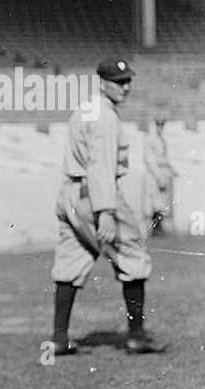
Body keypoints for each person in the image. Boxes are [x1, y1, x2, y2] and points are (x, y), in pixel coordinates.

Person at [50, 58, 165, 356]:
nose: (126, 87)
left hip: (71, 194)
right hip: (96, 194)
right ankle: (136, 336)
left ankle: (59, 338)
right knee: (133, 257)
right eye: (119, 81)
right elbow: (100, 166)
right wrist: (106, 212)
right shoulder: (105, 117)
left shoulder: (85, 109)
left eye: (128, 80)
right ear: (103, 82)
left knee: (69, 263)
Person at [143, 111, 177, 236]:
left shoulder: (161, 139)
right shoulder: (150, 139)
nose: (160, 127)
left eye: (162, 124)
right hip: (154, 174)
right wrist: (158, 176)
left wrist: (171, 169)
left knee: (162, 201)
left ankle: (160, 227)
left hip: (162, 171)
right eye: (158, 124)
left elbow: (164, 157)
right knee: (155, 201)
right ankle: (156, 228)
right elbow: (149, 159)